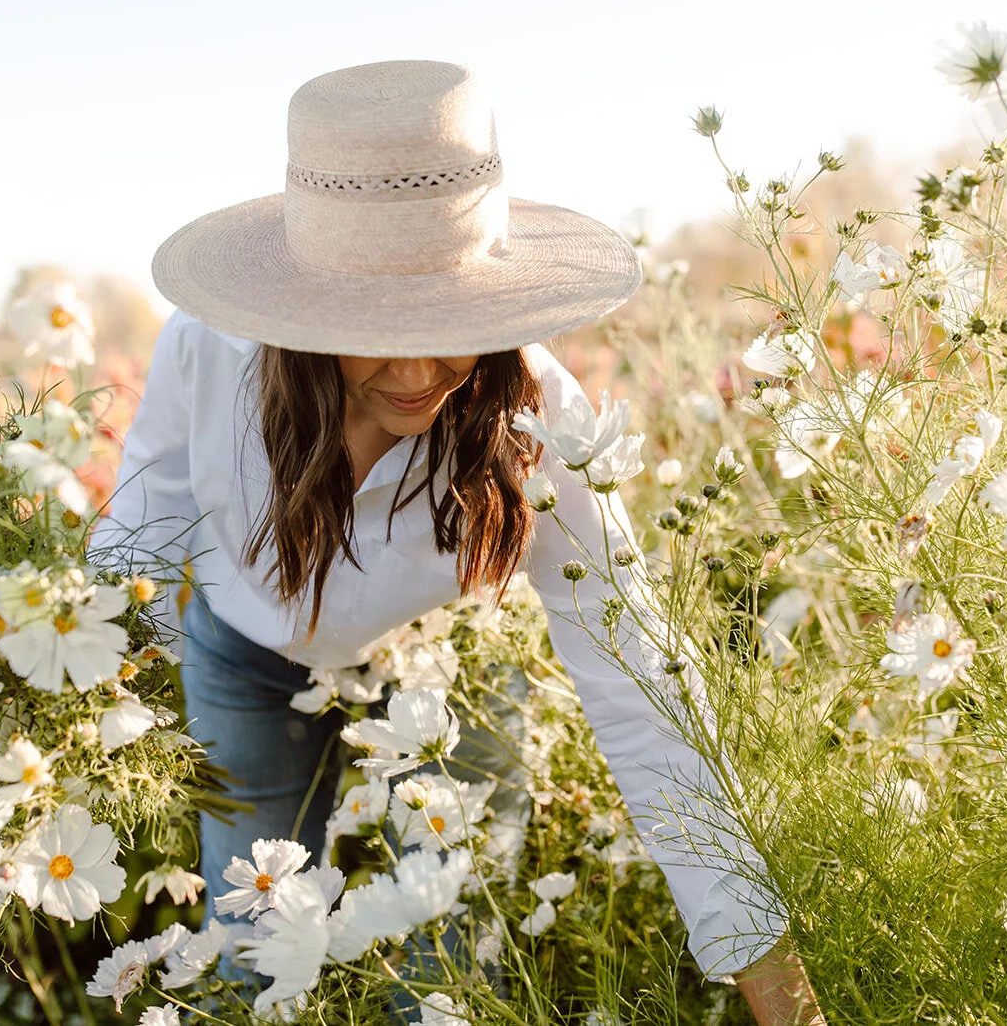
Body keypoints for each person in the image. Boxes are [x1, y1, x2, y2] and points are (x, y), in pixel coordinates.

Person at [87, 59, 825, 1024]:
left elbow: (637, 676)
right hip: (244, 656)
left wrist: (772, 973)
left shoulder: (540, 418)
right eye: (375, 330)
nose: (418, 372)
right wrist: (91, 695)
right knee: (249, 949)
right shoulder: (209, 350)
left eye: (450, 323)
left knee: (450, 964)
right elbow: (145, 520)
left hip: (444, 669)